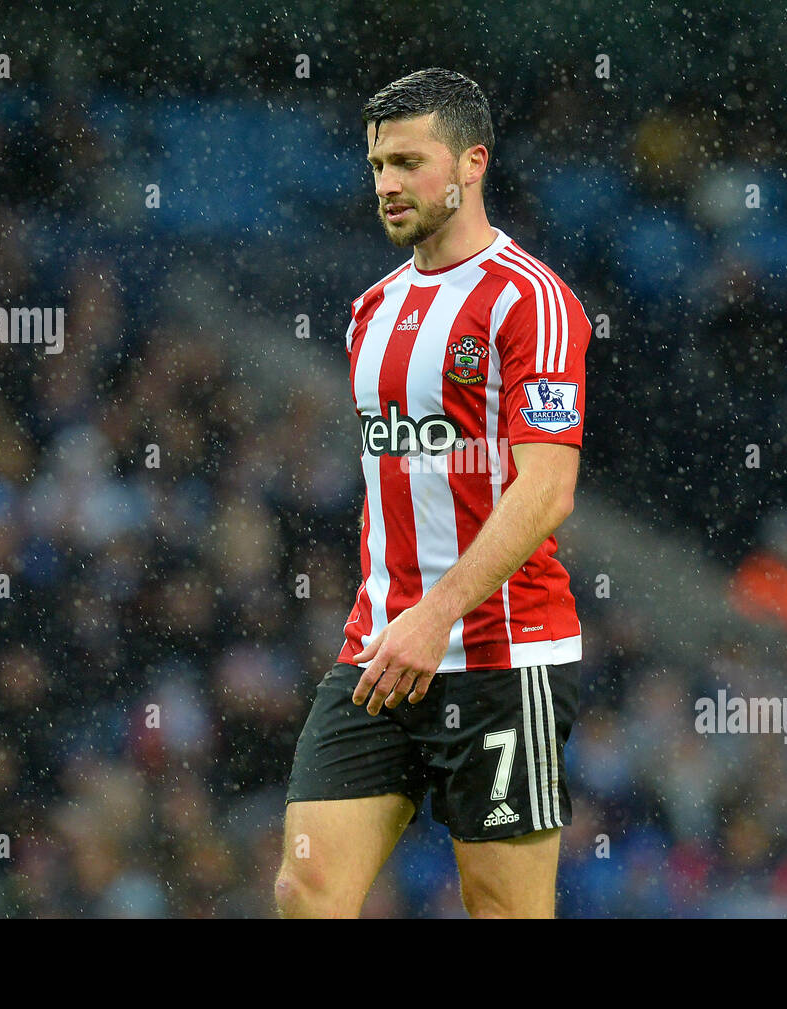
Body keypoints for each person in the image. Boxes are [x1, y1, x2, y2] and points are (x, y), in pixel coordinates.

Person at [275, 67, 593, 918]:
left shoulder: (533, 302)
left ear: (472, 163)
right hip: (380, 652)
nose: (387, 184)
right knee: (306, 891)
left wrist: (438, 611)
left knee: (503, 910)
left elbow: (548, 490)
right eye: (377, 164)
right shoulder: (370, 309)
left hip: (501, 654)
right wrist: (402, 614)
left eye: (410, 162)